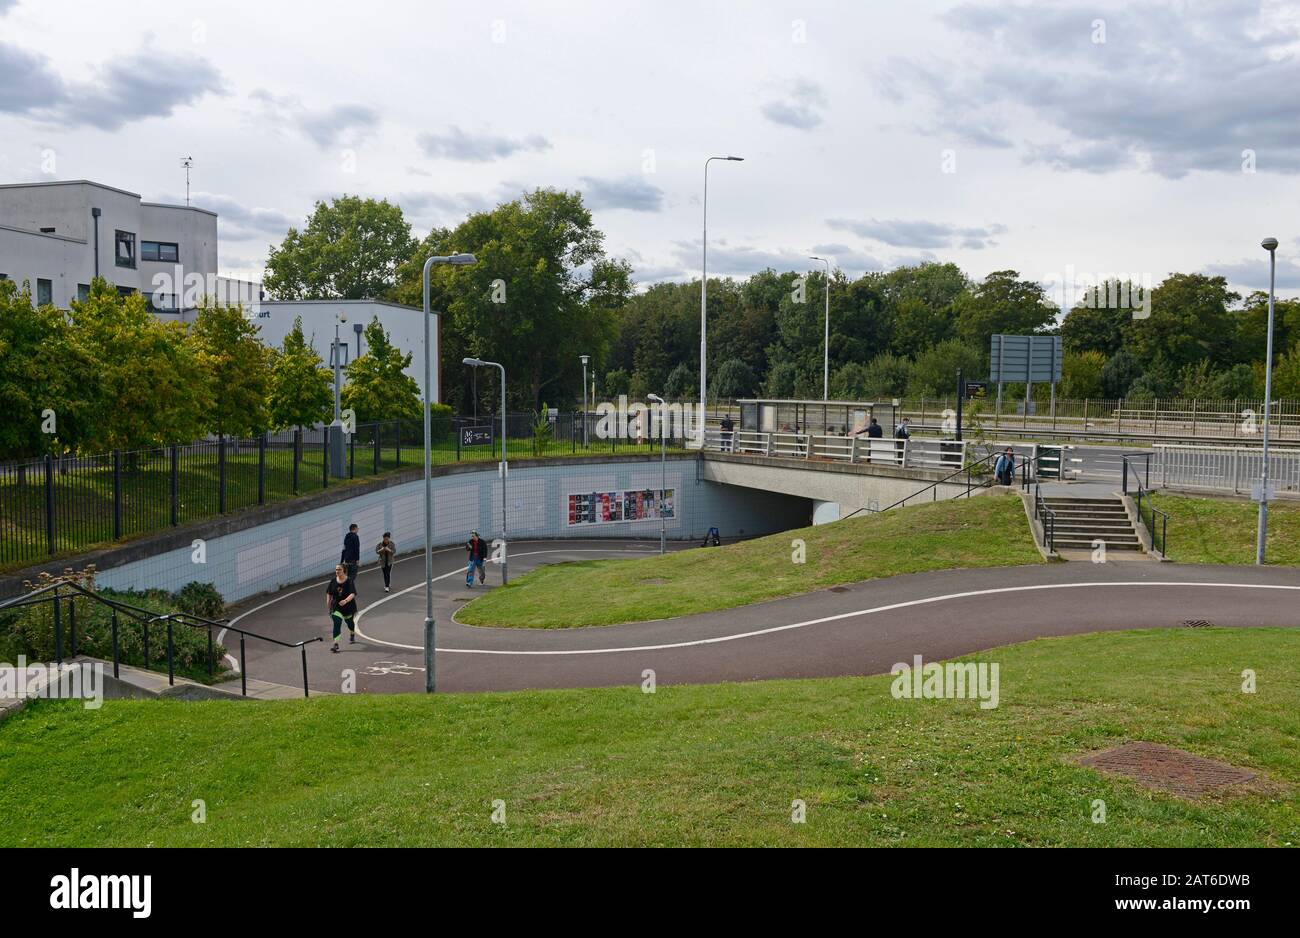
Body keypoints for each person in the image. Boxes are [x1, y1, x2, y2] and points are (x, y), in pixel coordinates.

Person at [325, 564, 358, 653]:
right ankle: (336, 644)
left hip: (348, 606)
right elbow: (329, 592)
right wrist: (328, 602)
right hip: (336, 606)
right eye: (336, 569)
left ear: (344, 570)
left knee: (349, 622)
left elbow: (353, 593)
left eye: (339, 569)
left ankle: (352, 633)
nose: (337, 571)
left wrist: (345, 601)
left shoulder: (349, 581)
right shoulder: (333, 581)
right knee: (337, 622)